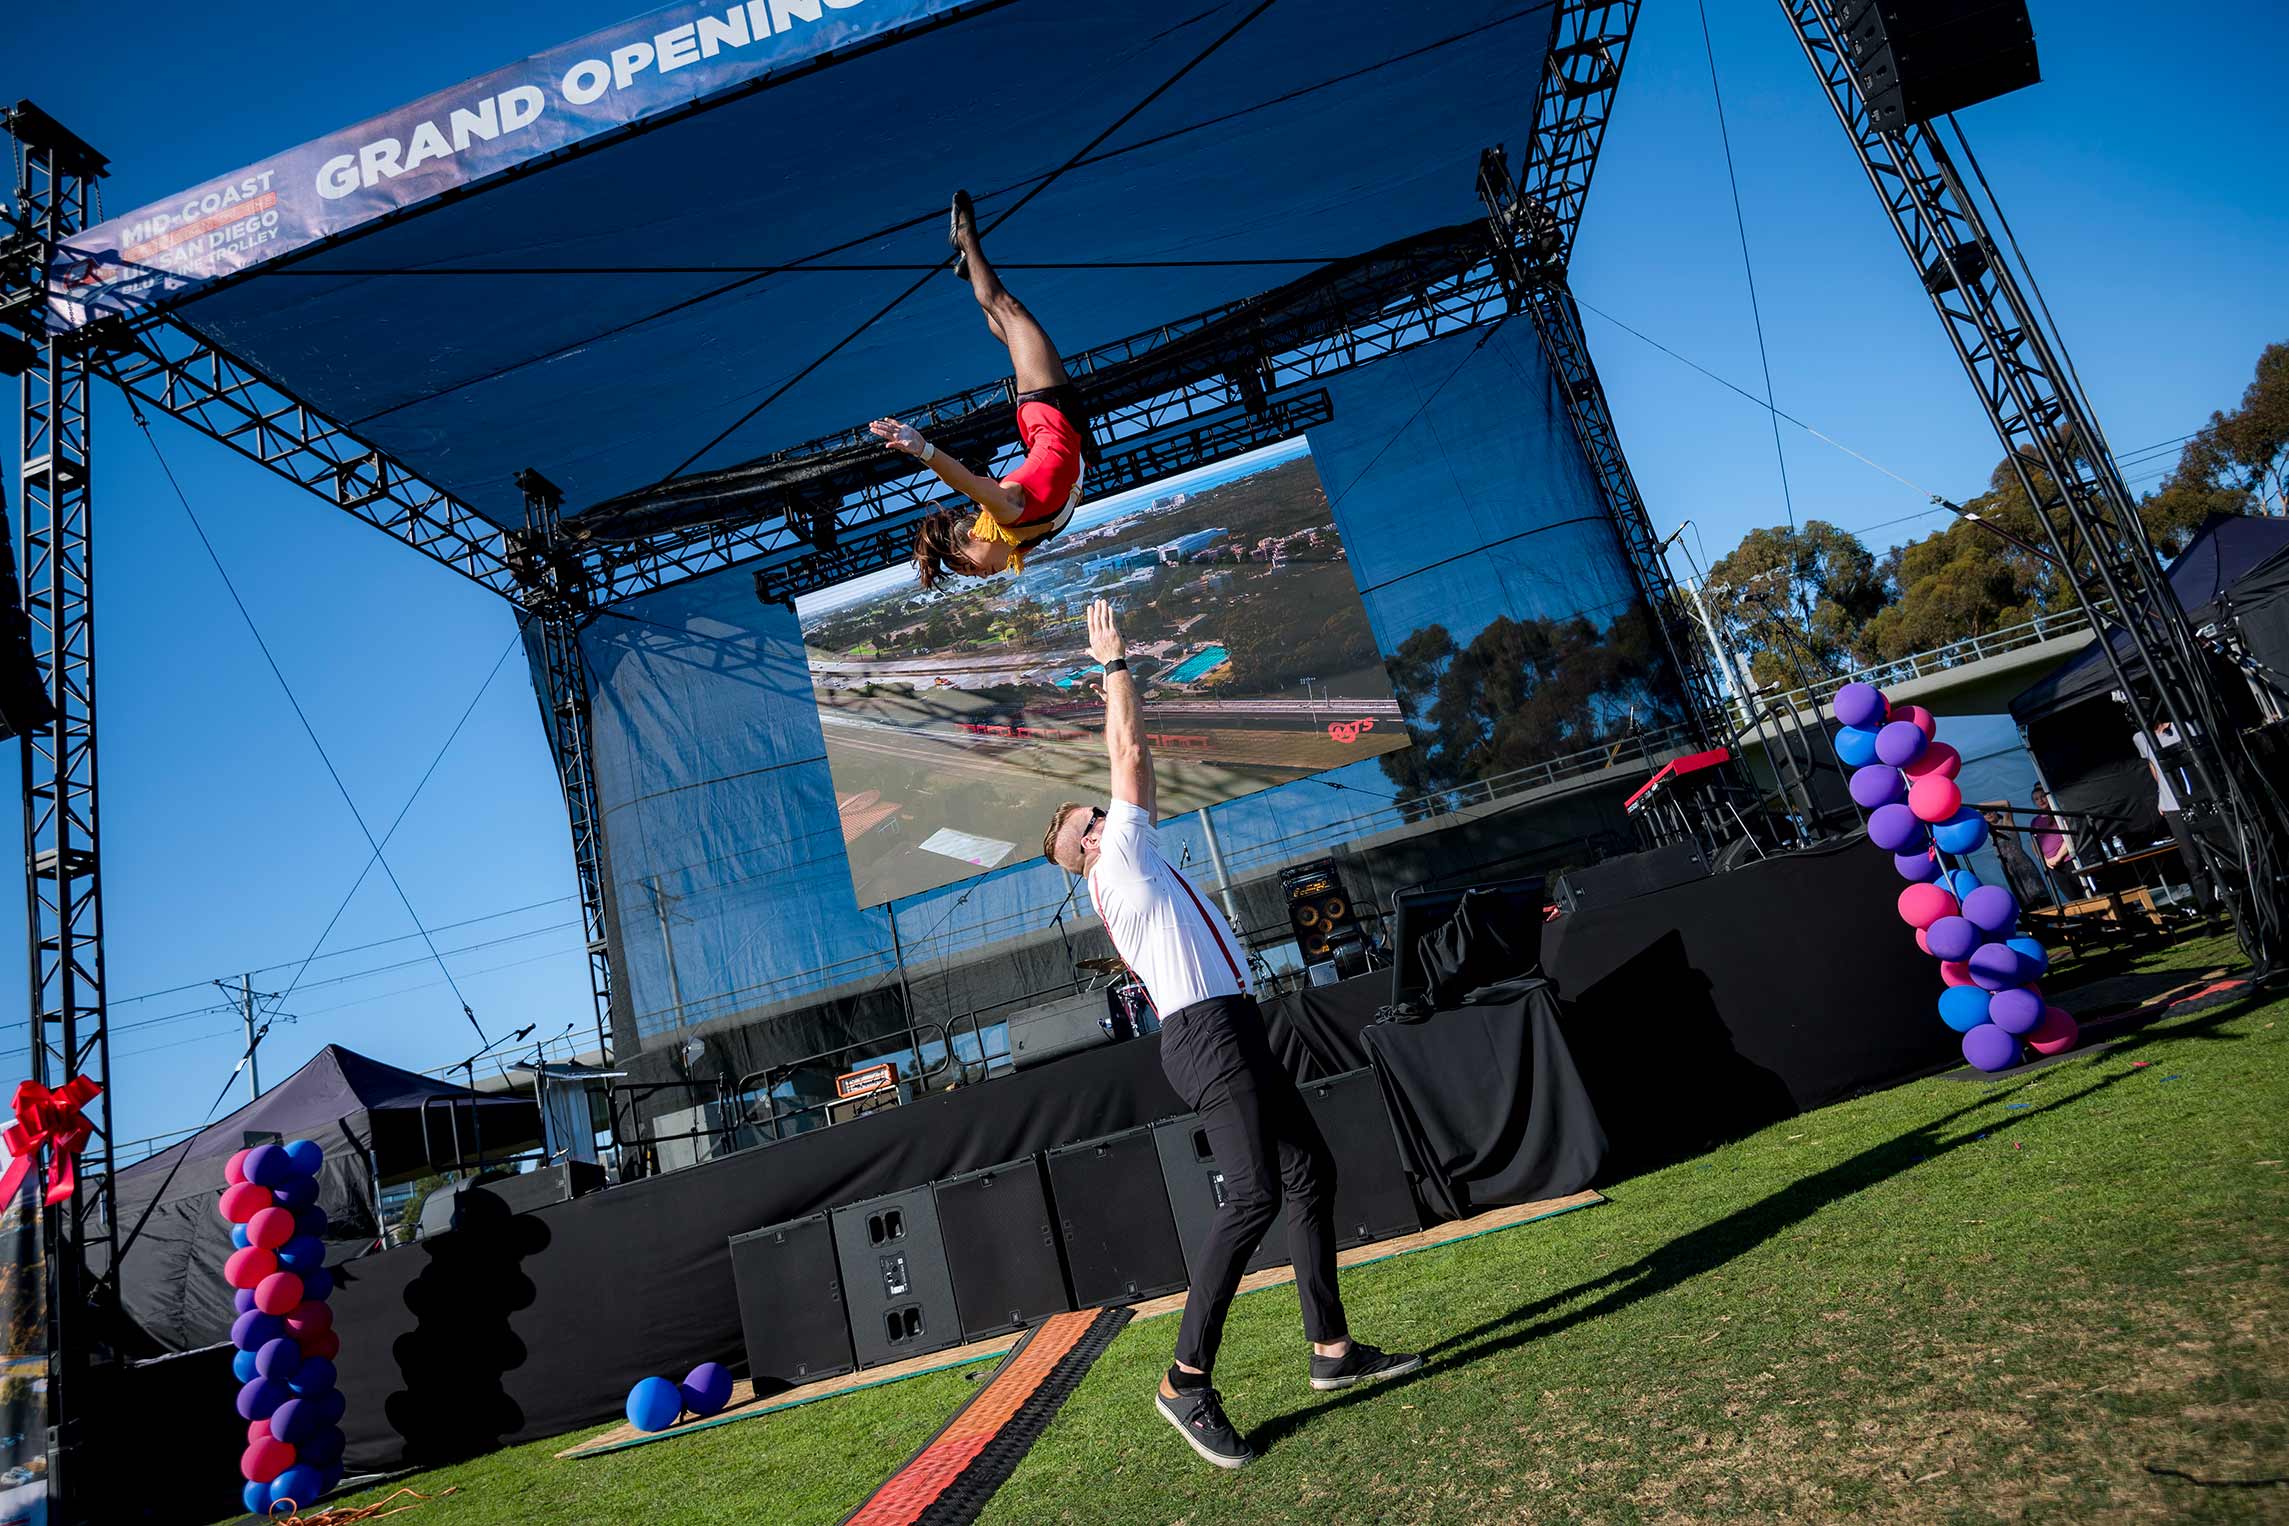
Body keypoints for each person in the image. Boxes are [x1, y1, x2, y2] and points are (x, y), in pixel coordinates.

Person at [1042, 599, 1420, 1468]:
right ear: (1086, 852)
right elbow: (1129, 753)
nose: (1105, 815)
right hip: (1205, 1037)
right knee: (1252, 1196)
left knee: (1307, 1171)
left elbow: (1127, 770)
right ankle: (1184, 1380)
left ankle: (1330, 1349)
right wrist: (1113, 665)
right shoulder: (1120, 857)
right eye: (1089, 823)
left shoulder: (1132, 858)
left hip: (1230, 1027)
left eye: (1095, 813)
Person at [875, 191, 1100, 588]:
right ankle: (972, 275)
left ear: (975, 538)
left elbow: (965, 481)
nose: (978, 575)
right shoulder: (1021, 541)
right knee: (1010, 333)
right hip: (1068, 425)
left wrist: (923, 449)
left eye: (967, 567)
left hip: (1048, 409)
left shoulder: (1004, 510)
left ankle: (965, 239)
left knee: (1009, 310)